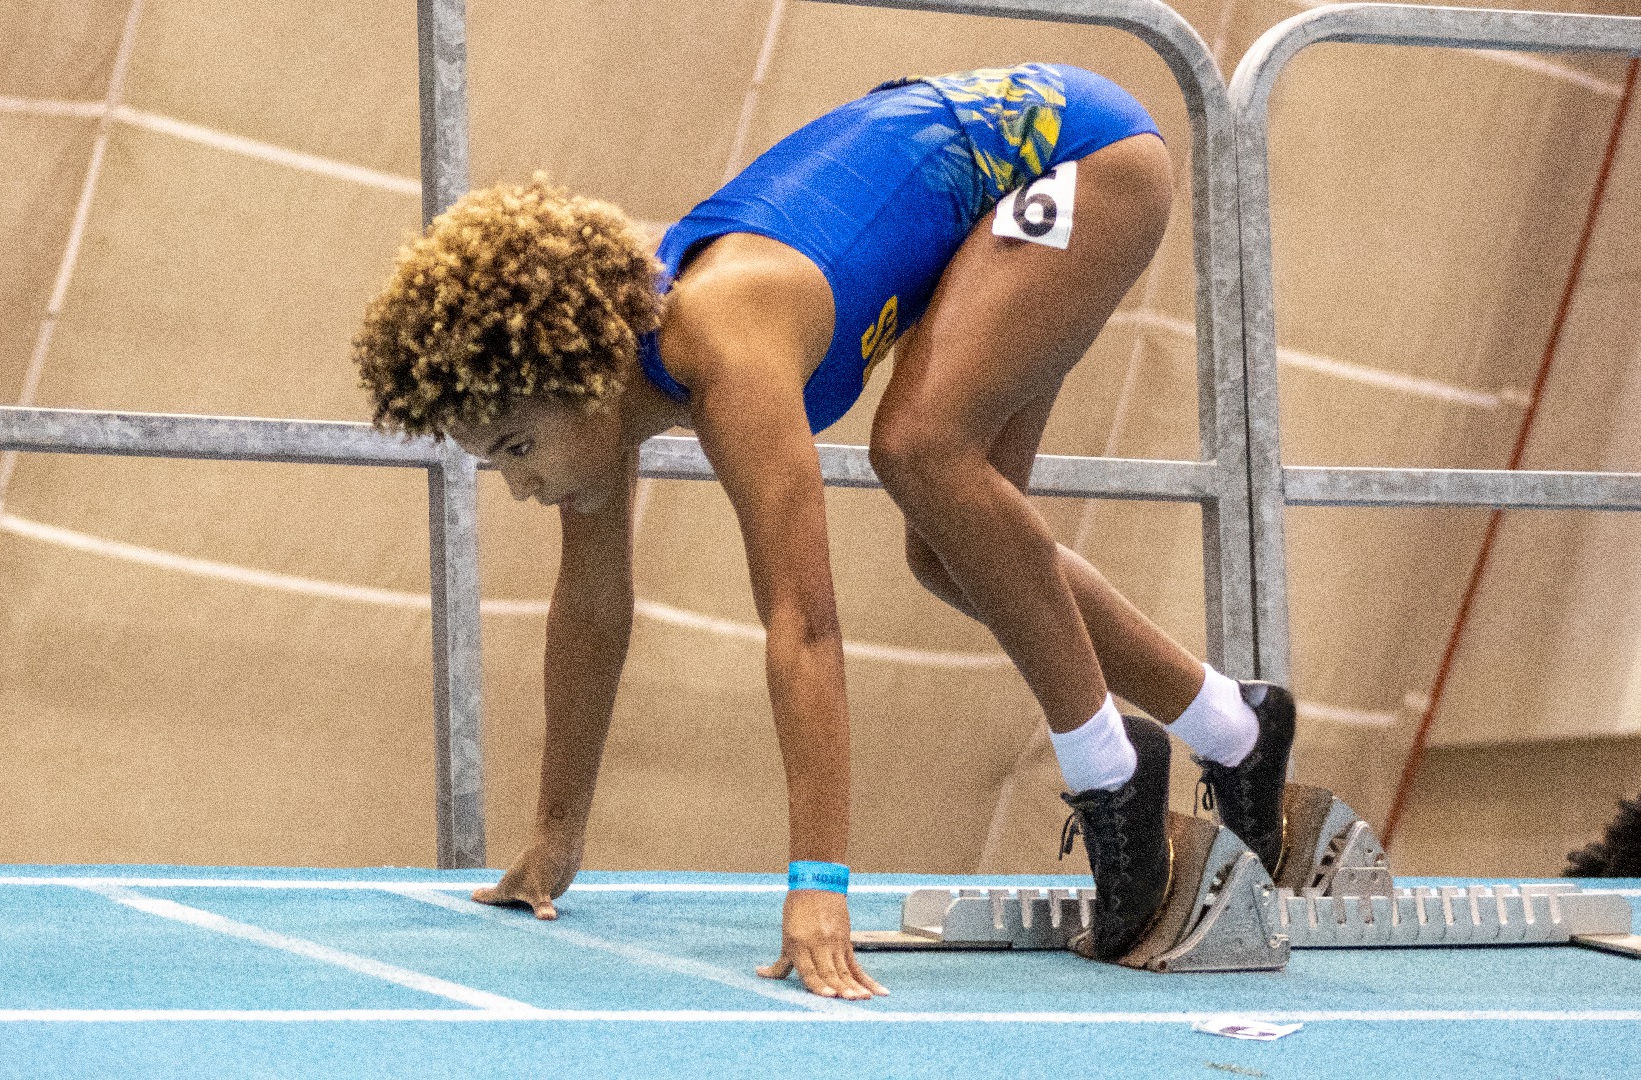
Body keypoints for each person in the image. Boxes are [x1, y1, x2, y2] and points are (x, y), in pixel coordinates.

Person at [353, 63, 1295, 999]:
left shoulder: (721, 338)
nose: (518, 485)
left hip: (1083, 153)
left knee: (921, 448)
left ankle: (1110, 775)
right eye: (497, 462)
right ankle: (1235, 725)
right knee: (956, 555)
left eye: (518, 447)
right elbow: (593, 611)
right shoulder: (611, 393)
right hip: (989, 185)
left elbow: (804, 625)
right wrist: (556, 841)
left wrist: (817, 886)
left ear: (585, 380)